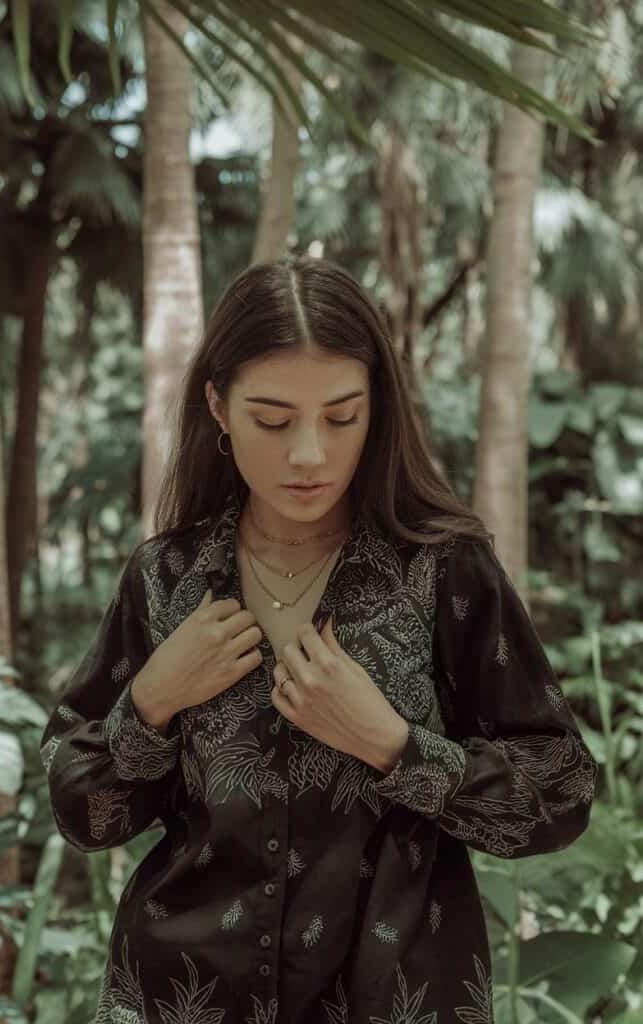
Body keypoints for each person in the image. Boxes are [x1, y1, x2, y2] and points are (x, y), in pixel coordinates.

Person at [40, 255, 598, 1024]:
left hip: (395, 995)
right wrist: (152, 702)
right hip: (181, 994)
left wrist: (396, 747)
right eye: (272, 419)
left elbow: (561, 793)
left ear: (377, 412)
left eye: (341, 417)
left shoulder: (445, 572)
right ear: (218, 405)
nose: (308, 454)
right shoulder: (165, 576)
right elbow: (87, 816)